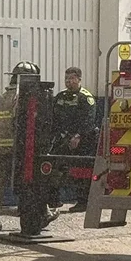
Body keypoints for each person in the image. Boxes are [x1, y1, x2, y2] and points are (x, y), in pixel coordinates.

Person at [0, 62, 39, 232]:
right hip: (15, 149)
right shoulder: (20, 97)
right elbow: (21, 124)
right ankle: (37, 215)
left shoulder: (3, 97)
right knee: (29, 182)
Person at [51, 66, 96, 212]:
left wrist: (78, 136)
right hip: (63, 138)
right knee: (55, 167)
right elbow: (54, 118)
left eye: (71, 79)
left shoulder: (86, 98)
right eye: (66, 79)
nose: (68, 82)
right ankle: (53, 200)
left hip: (83, 140)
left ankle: (83, 201)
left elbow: (88, 121)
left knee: (81, 171)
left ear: (79, 79)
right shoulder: (60, 96)